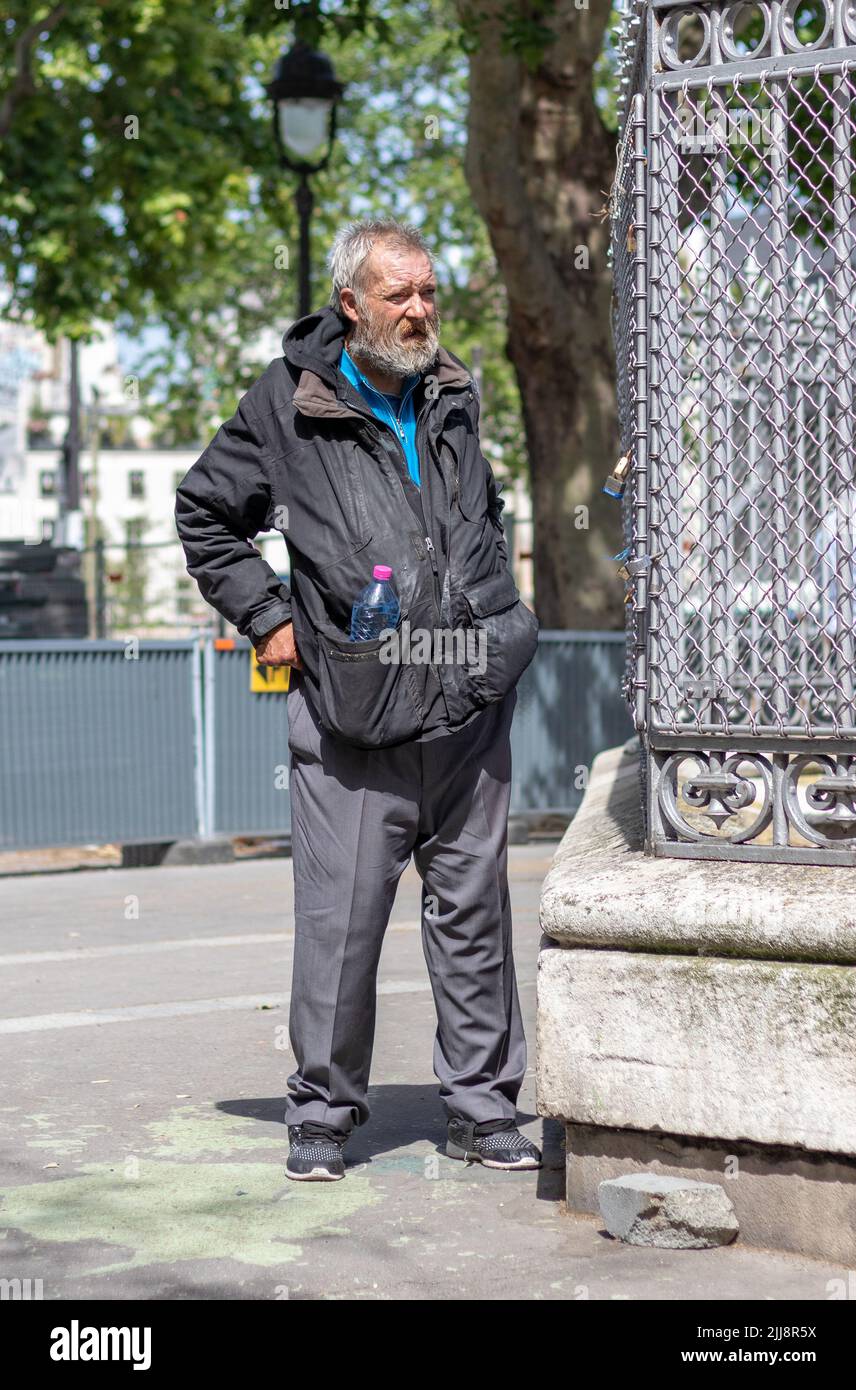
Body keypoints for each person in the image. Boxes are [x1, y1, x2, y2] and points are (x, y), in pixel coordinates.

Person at [175, 218, 541, 1181]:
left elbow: (482, 515)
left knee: (474, 918)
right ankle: (323, 1114)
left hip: (469, 696)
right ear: (352, 303)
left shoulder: (452, 389)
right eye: (399, 295)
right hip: (352, 708)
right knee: (342, 926)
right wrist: (269, 621)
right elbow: (205, 513)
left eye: (428, 291)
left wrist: (498, 617)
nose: (420, 311)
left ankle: (482, 1107)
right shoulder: (288, 401)